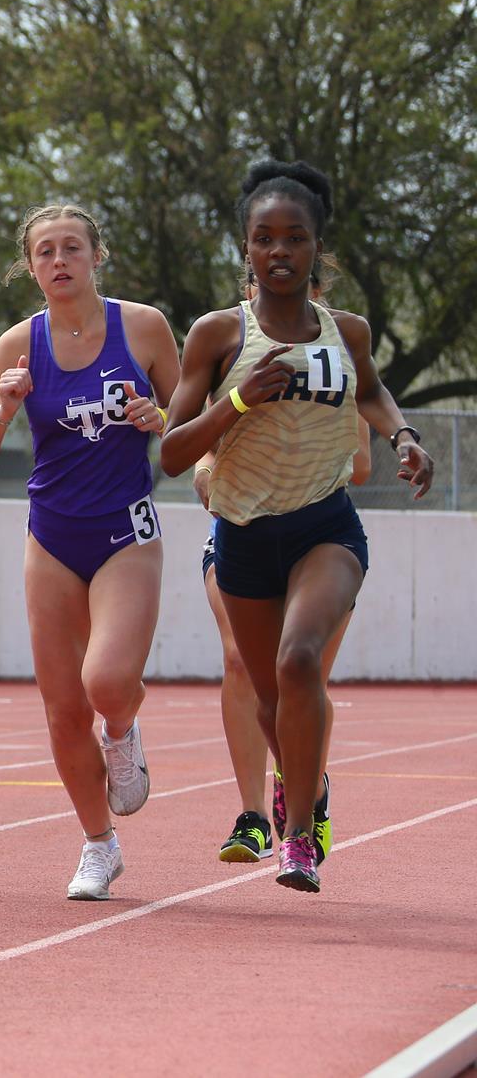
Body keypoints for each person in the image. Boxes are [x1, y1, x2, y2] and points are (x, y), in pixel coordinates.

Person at [163, 160, 433, 893]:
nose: (280, 251)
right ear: (245, 249)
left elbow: (373, 392)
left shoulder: (348, 331)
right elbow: (171, 450)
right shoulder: (218, 334)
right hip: (245, 535)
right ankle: (301, 779)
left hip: (326, 528)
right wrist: (239, 402)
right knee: (269, 698)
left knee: (299, 658)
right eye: (264, 238)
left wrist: (404, 436)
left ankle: (303, 834)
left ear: (318, 248)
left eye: (295, 238)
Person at [0, 205, 181, 901]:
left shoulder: (142, 326)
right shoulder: (17, 345)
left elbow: (193, 433)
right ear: (30, 266)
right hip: (51, 534)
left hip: (126, 531)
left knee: (107, 680)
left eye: (72, 248)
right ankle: (98, 844)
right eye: (46, 251)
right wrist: (4, 405)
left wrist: (160, 417)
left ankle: (123, 730)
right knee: (60, 707)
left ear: (96, 255)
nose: (60, 261)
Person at [200, 277, 373, 865]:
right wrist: (218, 467)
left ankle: (304, 795)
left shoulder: (340, 358)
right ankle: (252, 815)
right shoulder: (227, 344)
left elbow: (360, 462)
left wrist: (306, 446)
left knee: (299, 670)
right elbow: (193, 452)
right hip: (237, 529)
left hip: (314, 529)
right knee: (240, 664)